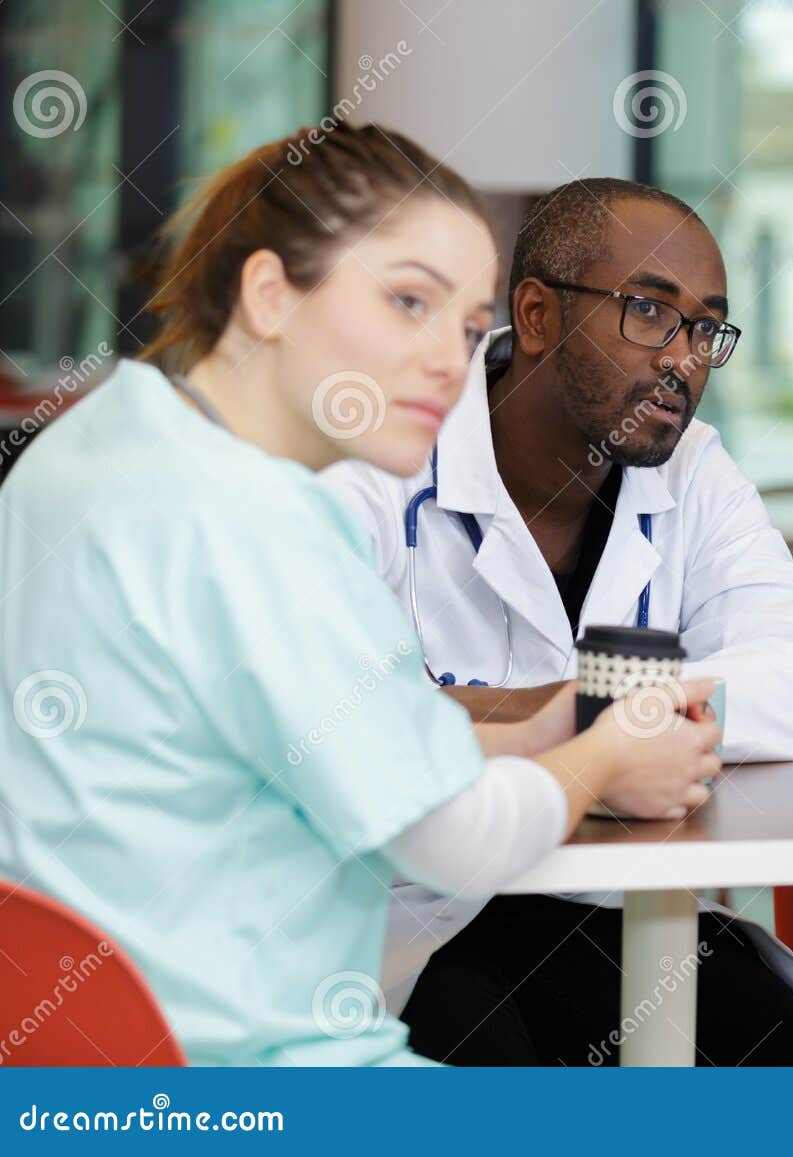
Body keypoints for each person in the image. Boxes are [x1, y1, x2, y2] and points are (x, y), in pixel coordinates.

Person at [0, 125, 719, 1066]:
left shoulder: (92, 448)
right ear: (268, 295)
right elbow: (455, 841)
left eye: (467, 329)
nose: (447, 361)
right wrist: (604, 759)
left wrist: (554, 727)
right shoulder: (265, 520)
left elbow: (344, 753)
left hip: (77, 1063)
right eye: (406, 300)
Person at [320, 178, 793, 1065]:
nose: (684, 358)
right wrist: (592, 728)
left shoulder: (690, 470)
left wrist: (614, 719)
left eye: (704, 328)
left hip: (607, 909)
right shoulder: (381, 457)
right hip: (404, 920)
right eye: (650, 311)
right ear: (535, 315)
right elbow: (345, 713)